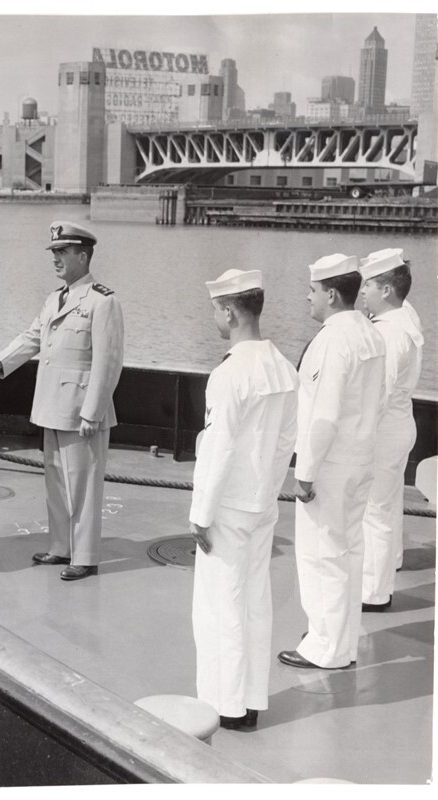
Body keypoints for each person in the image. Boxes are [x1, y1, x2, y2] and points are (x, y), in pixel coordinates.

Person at [0, 221, 124, 581]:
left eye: (62, 252)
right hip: (51, 407)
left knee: (83, 485)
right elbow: (32, 337)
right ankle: (61, 547)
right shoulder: (54, 299)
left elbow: (108, 362)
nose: (55, 259)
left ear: (83, 256)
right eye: (54, 252)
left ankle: (86, 557)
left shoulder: (103, 302)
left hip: (81, 411)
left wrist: (92, 413)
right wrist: (0, 361)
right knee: (57, 482)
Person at [189, 269, 298, 731]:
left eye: (217, 310)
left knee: (220, 607)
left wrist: (201, 514)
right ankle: (251, 700)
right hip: (262, 505)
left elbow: (219, 449)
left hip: (229, 507)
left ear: (231, 312)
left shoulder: (229, 373)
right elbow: (286, 442)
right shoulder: (284, 367)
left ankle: (224, 706)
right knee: (255, 602)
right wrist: (268, 492)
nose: (215, 318)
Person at [278, 253, 385, 670]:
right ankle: (341, 640)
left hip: (331, 465)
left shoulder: (332, 340)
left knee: (322, 556)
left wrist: (304, 474)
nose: (309, 298)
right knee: (349, 553)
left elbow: (323, 413)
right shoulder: (369, 333)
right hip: (360, 458)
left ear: (333, 295)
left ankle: (325, 647)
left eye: (313, 290)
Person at [358, 248, 423, 612]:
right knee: (388, 503)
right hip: (400, 423)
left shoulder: (387, 333)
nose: (362, 291)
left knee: (375, 512)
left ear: (385, 290)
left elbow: (377, 395)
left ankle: (373, 593)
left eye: (367, 284)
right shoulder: (403, 317)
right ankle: (389, 564)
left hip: (383, 430)